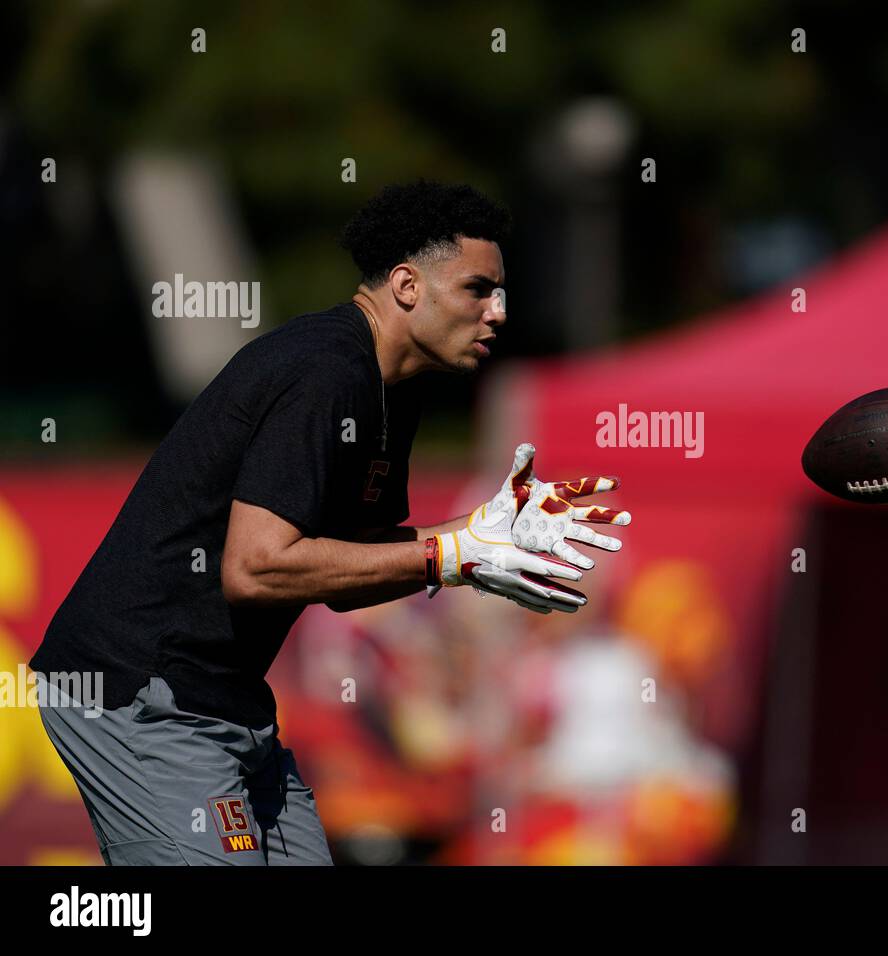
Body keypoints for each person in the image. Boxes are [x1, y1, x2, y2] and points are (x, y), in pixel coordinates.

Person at [29, 180, 631, 865]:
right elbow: (255, 569)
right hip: (140, 691)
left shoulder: (391, 390)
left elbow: (348, 572)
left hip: (226, 702)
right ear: (407, 286)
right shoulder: (326, 372)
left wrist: (479, 536)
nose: (498, 311)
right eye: (476, 289)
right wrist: (450, 553)